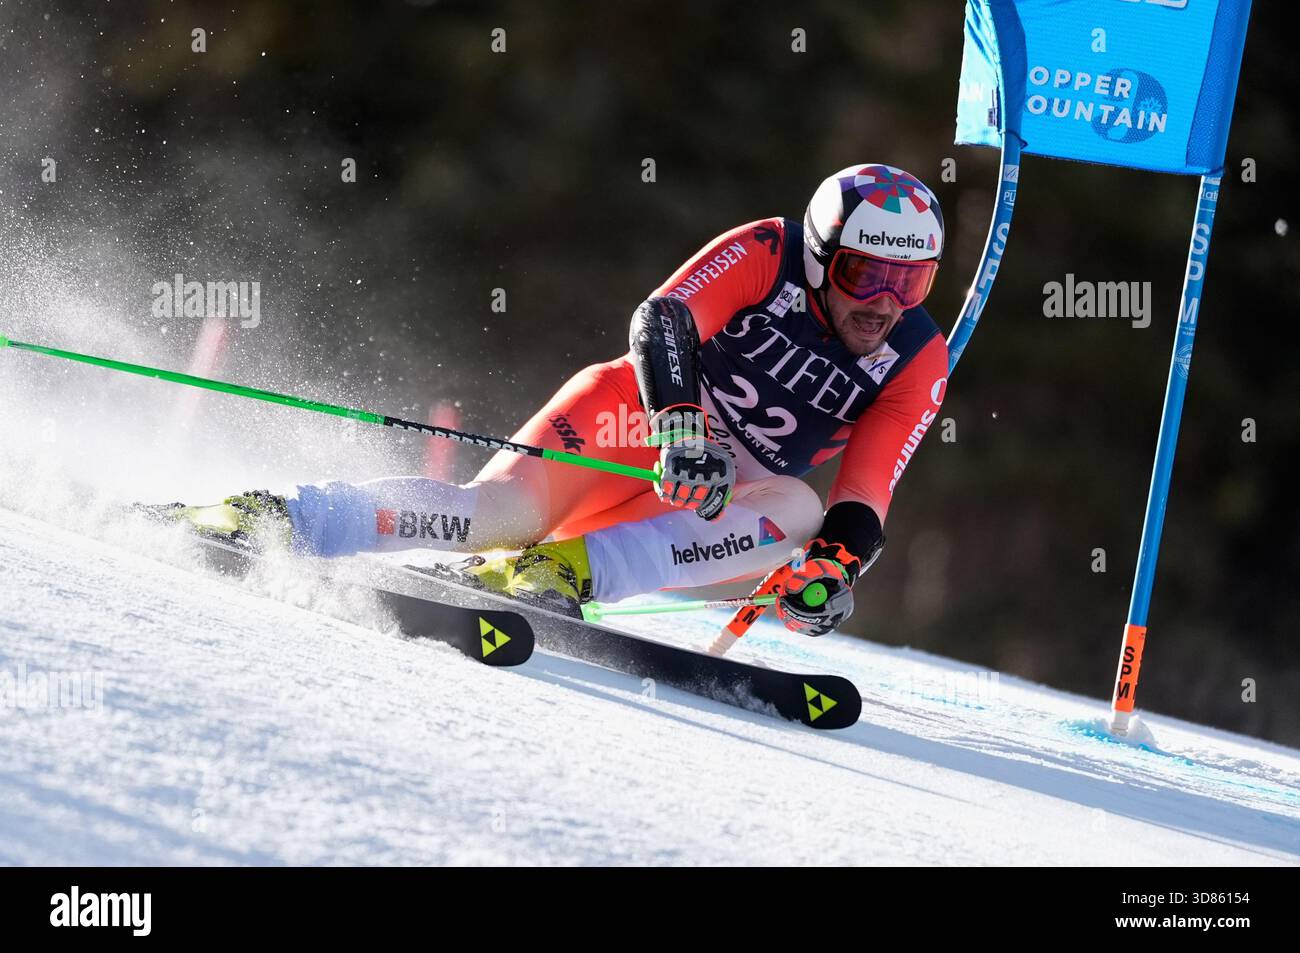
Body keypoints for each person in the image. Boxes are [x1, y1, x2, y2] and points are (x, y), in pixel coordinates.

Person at [178, 164, 950, 637]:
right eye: (863, 275)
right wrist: (680, 426)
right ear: (821, 258)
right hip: (633, 420)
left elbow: (864, 500)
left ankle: (559, 573)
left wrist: (831, 576)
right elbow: (665, 316)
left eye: (910, 282)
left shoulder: (915, 357)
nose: (884, 303)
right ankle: (282, 516)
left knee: (801, 514)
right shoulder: (769, 251)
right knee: (495, 516)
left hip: (718, 493)